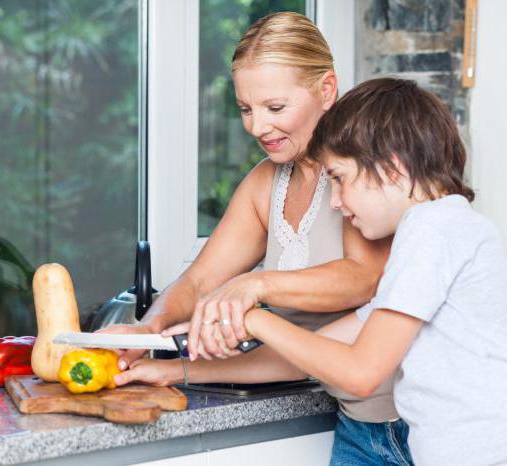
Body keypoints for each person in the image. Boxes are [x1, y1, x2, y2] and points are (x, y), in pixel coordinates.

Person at [211, 77, 507, 465]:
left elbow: (361, 373)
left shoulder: (433, 230)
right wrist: (179, 370)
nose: (334, 202)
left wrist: (255, 318)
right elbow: (314, 351)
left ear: (391, 167)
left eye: (339, 178)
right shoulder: (443, 230)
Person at [100, 12, 413, 466]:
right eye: (246, 109)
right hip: (354, 416)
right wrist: (148, 330)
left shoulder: (360, 178)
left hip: (405, 421)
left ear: (327, 90)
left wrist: (255, 286)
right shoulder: (267, 182)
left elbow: (364, 277)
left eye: (275, 107)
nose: (257, 126)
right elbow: (201, 279)